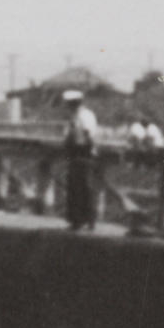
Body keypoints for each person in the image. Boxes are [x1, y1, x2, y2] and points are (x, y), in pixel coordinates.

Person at [62, 90, 99, 232]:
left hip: (84, 152)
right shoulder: (75, 116)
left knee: (84, 187)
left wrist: (91, 151)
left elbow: (88, 135)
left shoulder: (85, 116)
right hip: (76, 152)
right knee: (74, 187)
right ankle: (76, 220)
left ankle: (88, 220)